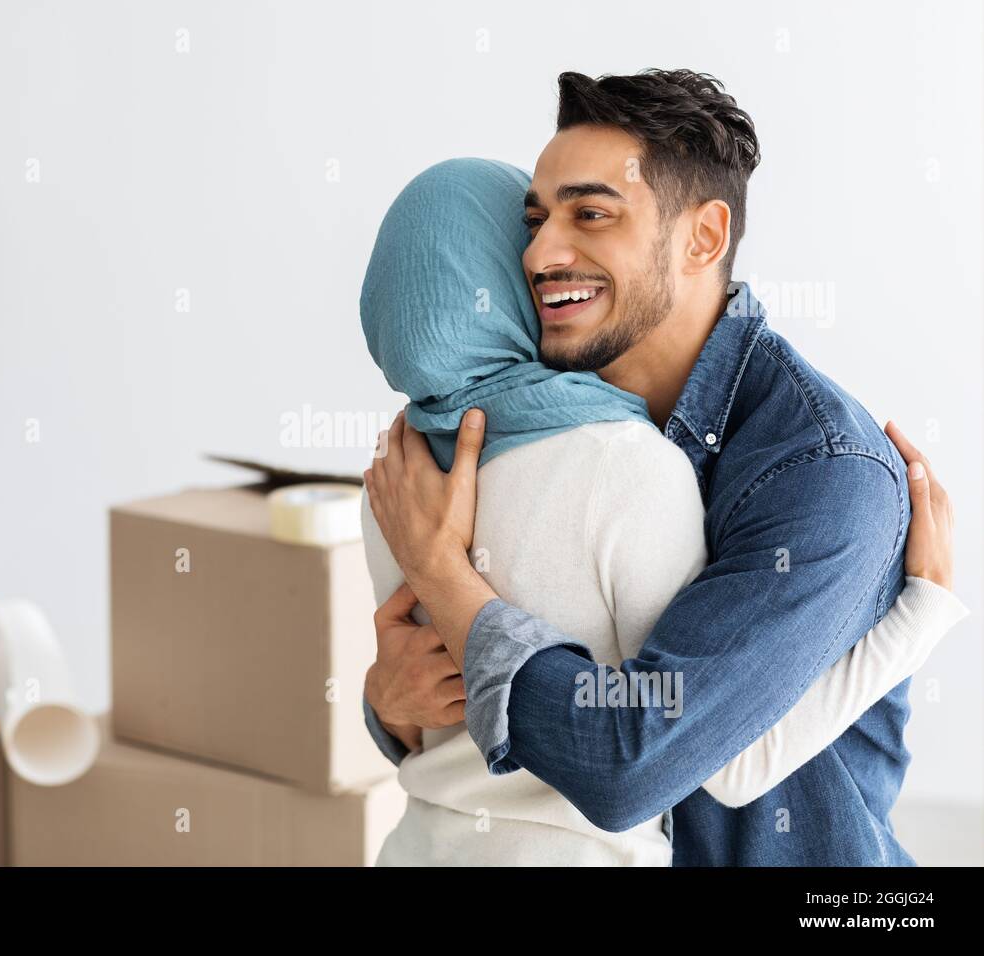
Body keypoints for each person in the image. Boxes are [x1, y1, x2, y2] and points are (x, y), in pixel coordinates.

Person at [361, 71, 967, 866]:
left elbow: (631, 765)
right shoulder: (539, 431)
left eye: (591, 215)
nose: (540, 252)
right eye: (535, 219)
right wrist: (390, 706)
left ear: (702, 239)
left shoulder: (824, 474)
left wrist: (444, 581)